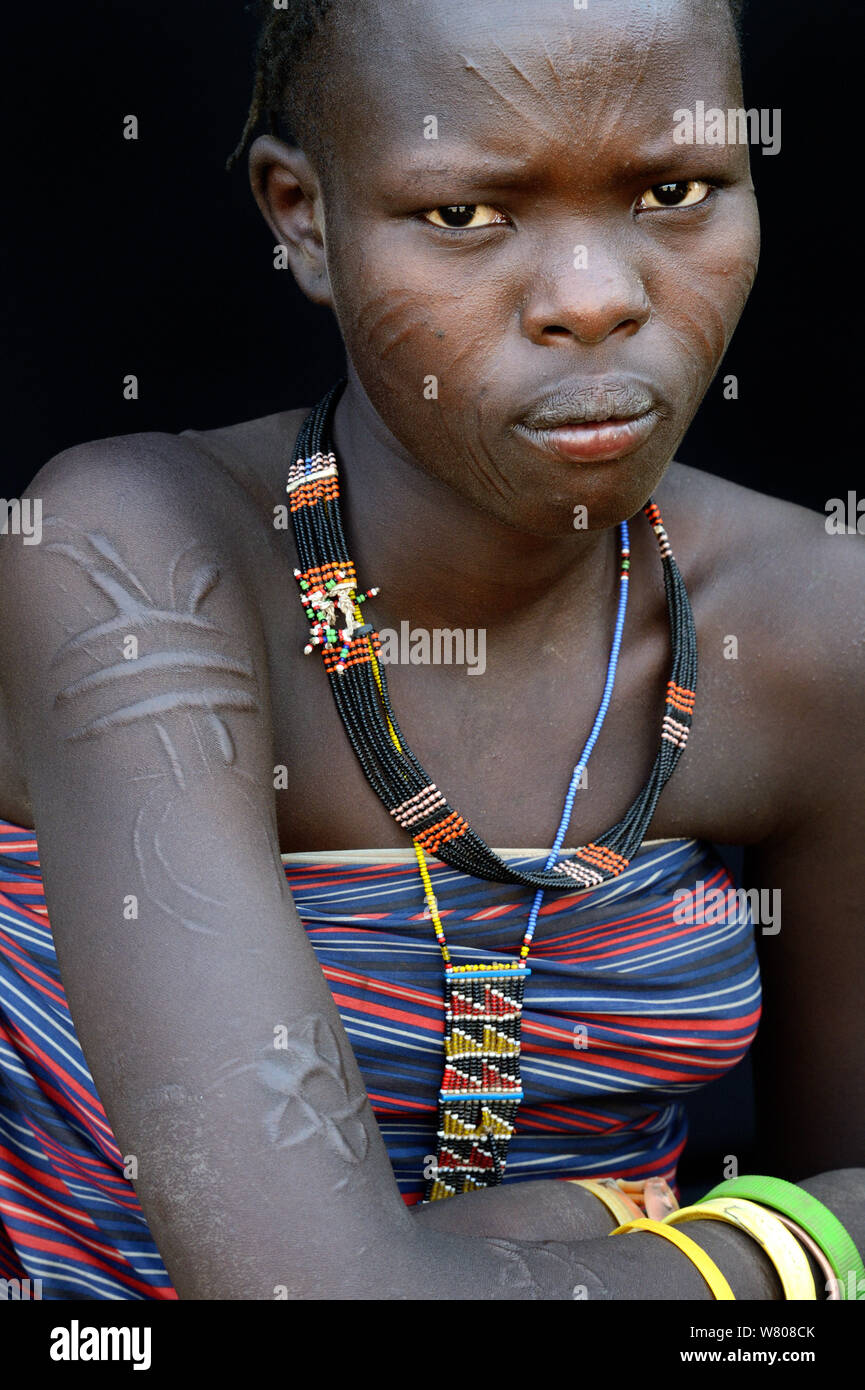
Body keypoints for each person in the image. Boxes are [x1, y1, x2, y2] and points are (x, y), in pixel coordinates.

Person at [0, 0, 862, 1300]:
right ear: (301, 214)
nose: (597, 297)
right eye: (466, 214)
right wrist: (769, 1243)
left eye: (676, 188)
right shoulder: (126, 561)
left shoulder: (814, 619)